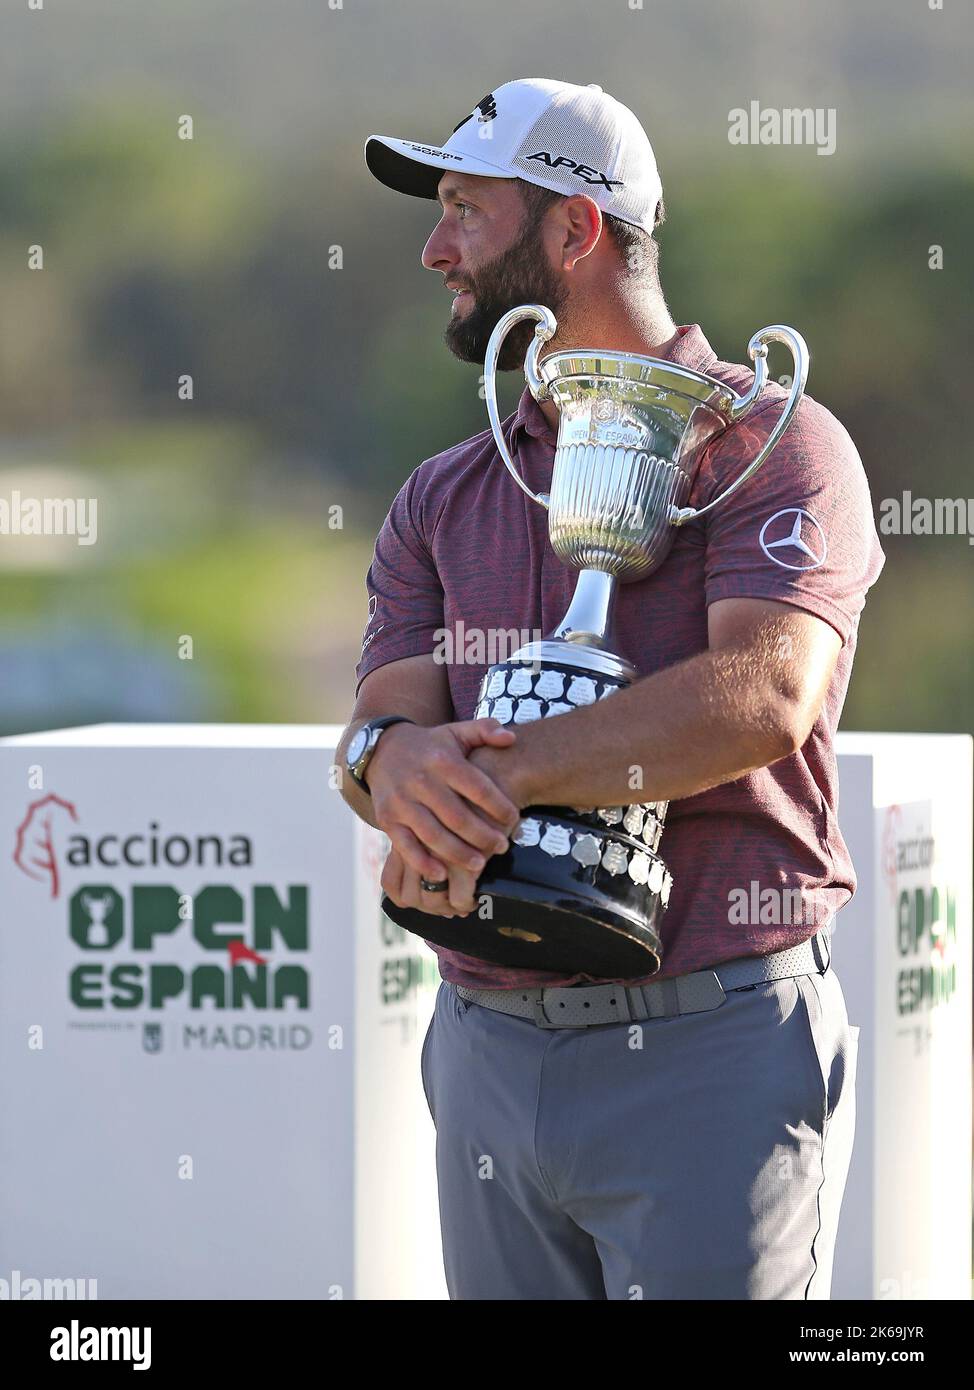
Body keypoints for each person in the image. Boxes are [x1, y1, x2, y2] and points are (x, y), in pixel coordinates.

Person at [339, 78, 885, 1300]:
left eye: (465, 213)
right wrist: (393, 767)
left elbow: (762, 695)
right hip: (484, 1043)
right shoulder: (442, 492)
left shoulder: (776, 447)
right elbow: (380, 718)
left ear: (573, 232)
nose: (435, 249)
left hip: (709, 1046)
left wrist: (504, 769)